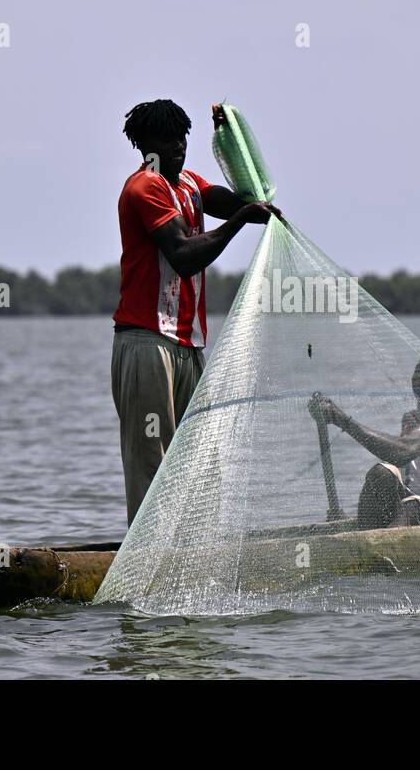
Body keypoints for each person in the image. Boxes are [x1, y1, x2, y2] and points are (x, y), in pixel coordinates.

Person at [112, 99, 281, 524]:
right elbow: (184, 255)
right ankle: (147, 561)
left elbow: (242, 199)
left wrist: (232, 138)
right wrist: (242, 219)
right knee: (153, 461)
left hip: (188, 346)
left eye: (182, 138)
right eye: (167, 140)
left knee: (202, 457)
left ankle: (195, 550)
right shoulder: (144, 188)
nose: (178, 147)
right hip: (148, 344)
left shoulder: (188, 183)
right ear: (145, 145)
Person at [309, 347, 420, 529]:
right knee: (381, 473)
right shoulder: (411, 419)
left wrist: (340, 418)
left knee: (414, 506)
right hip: (407, 509)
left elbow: (401, 452)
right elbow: (395, 466)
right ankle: (366, 539)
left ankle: (378, 549)